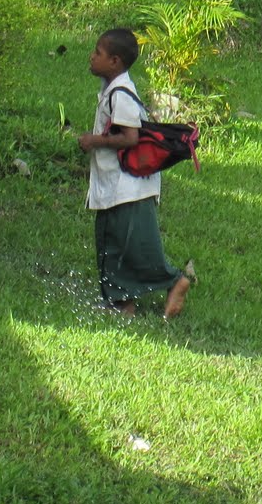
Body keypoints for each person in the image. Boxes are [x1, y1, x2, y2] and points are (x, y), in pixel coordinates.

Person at [77, 27, 194, 319]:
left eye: (98, 53)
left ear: (114, 61)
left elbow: (130, 138)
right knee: (113, 244)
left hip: (127, 187)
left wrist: (94, 141)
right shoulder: (112, 90)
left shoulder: (121, 95)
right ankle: (122, 302)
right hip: (116, 185)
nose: (91, 57)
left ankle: (174, 281)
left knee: (133, 247)